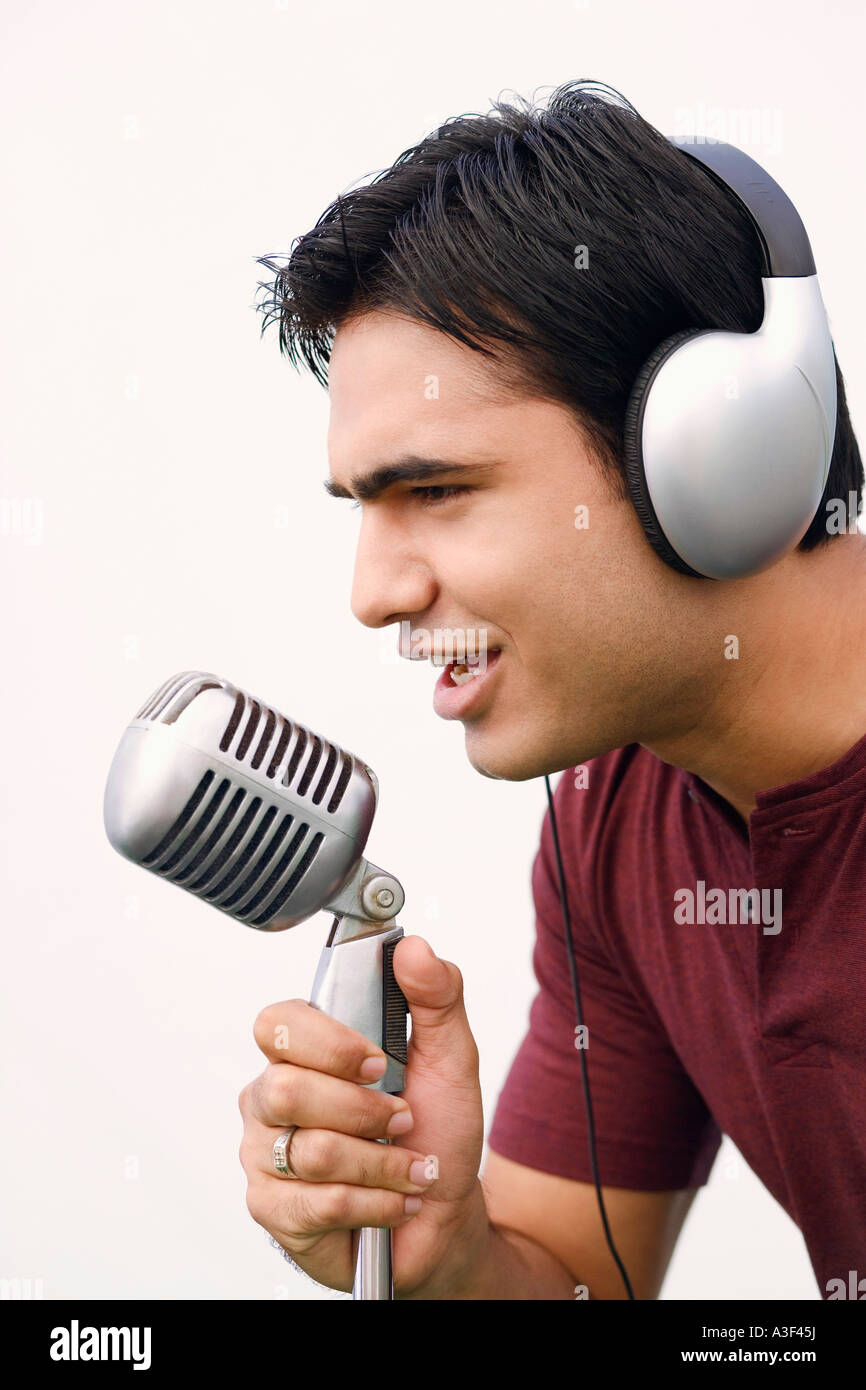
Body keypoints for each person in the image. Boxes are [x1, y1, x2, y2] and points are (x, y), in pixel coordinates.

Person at [238, 80, 865, 1299]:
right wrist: (451, 1252)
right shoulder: (612, 818)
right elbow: (574, 1276)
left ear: (717, 450)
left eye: (436, 490)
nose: (372, 595)